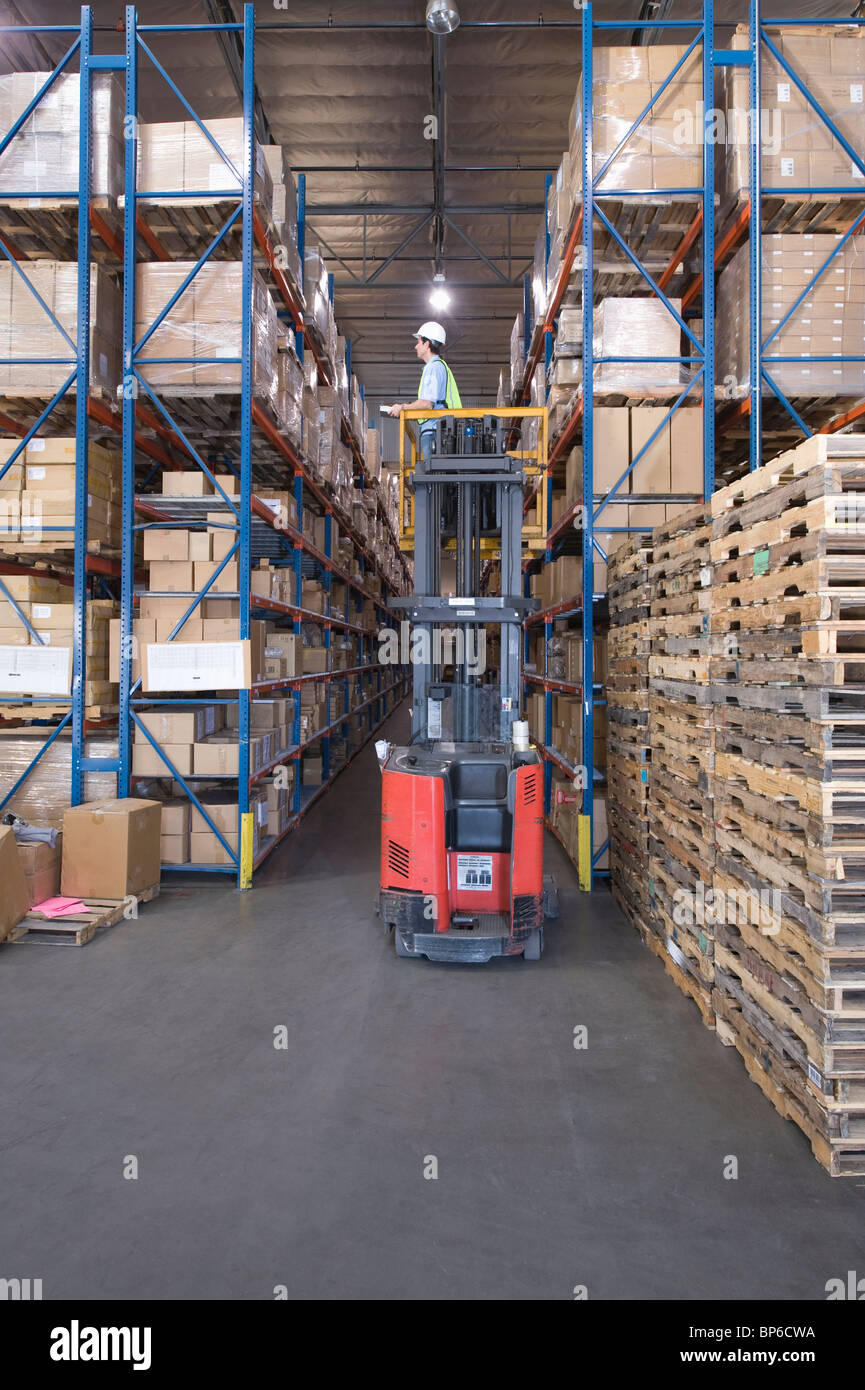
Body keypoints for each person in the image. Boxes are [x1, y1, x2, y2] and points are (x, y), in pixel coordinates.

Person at [387, 320, 461, 460]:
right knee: (434, 471)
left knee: (433, 472)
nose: (415, 346)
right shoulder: (438, 366)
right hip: (439, 429)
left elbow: (427, 403)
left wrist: (402, 407)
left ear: (427, 344)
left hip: (436, 431)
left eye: (419, 342)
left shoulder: (433, 367)